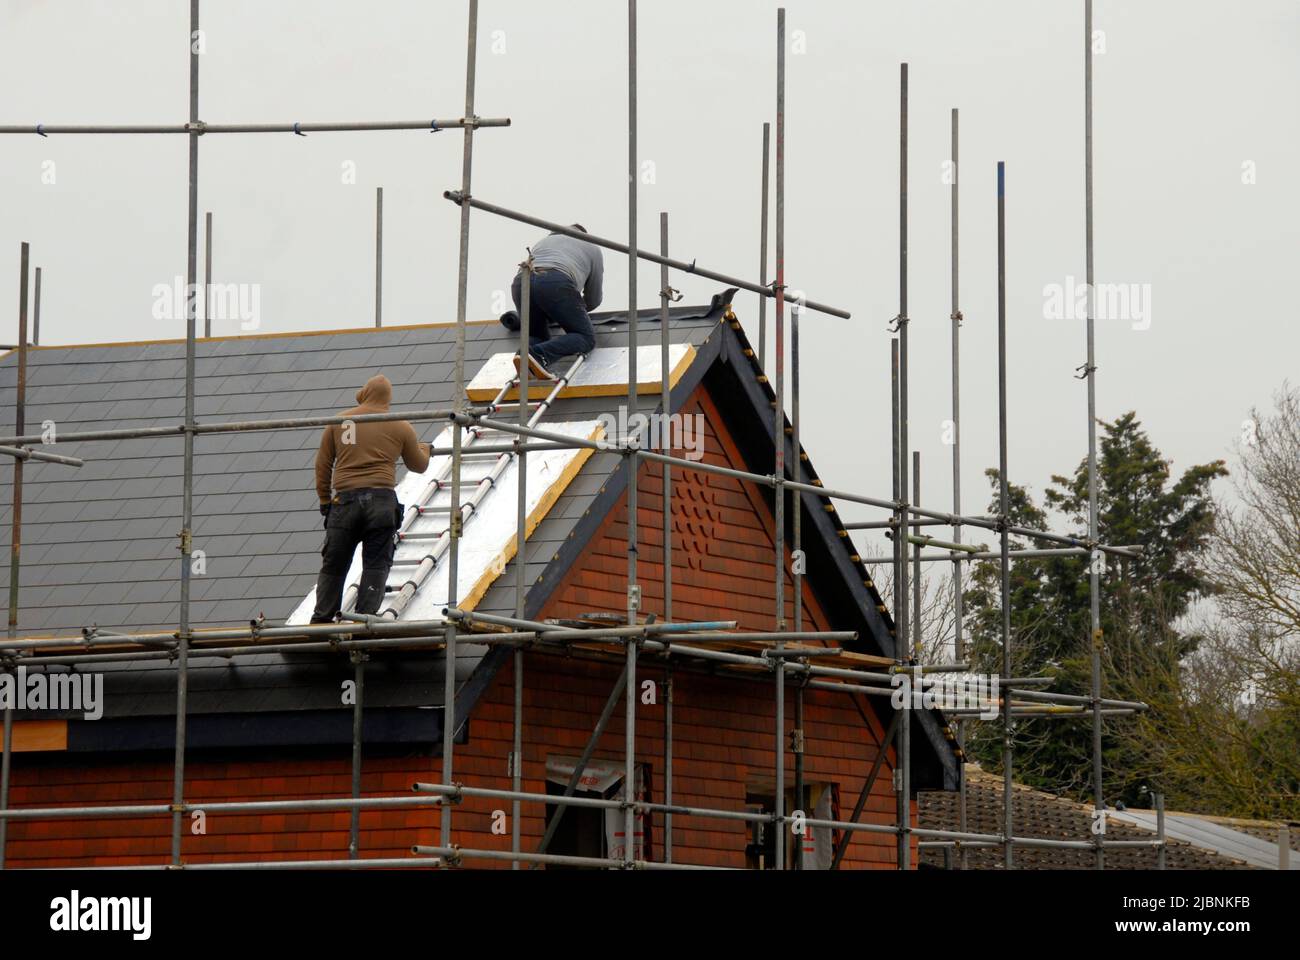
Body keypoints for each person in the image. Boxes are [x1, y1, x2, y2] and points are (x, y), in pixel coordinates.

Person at [310, 374, 431, 622]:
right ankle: (365, 618)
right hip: (381, 503)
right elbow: (418, 466)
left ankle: (322, 618)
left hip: (344, 503)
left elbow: (323, 465)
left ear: (365, 392)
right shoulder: (400, 426)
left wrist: (324, 499)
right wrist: (425, 450)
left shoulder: (343, 422)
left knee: (334, 563)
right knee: (376, 562)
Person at [499, 225, 603, 378]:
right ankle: (538, 356)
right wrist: (570, 312)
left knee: (537, 335)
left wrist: (554, 311)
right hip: (556, 281)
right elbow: (593, 299)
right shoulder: (592, 247)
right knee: (585, 338)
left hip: (522, 282)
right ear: (584, 234)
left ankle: (523, 356)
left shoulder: (543, 242)